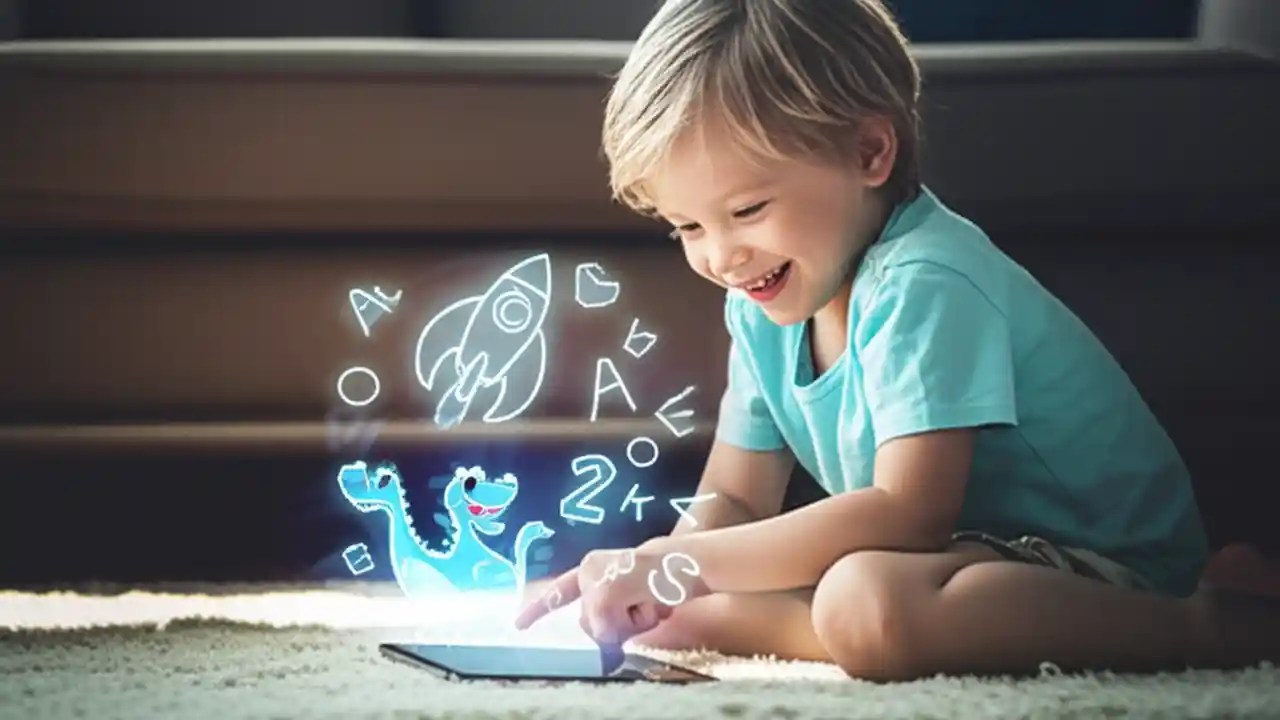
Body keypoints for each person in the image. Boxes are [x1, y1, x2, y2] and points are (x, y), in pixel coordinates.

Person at [514, 0, 1254, 680]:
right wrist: (656, 572)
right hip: (959, 561)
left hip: (1102, 565)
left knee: (864, 598)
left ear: (870, 152)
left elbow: (910, 511)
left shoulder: (925, 277)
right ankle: (881, 630)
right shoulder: (763, 299)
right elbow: (736, 497)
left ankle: (1205, 624)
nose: (720, 256)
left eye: (746, 208)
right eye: (688, 226)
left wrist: (675, 559)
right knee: (679, 620)